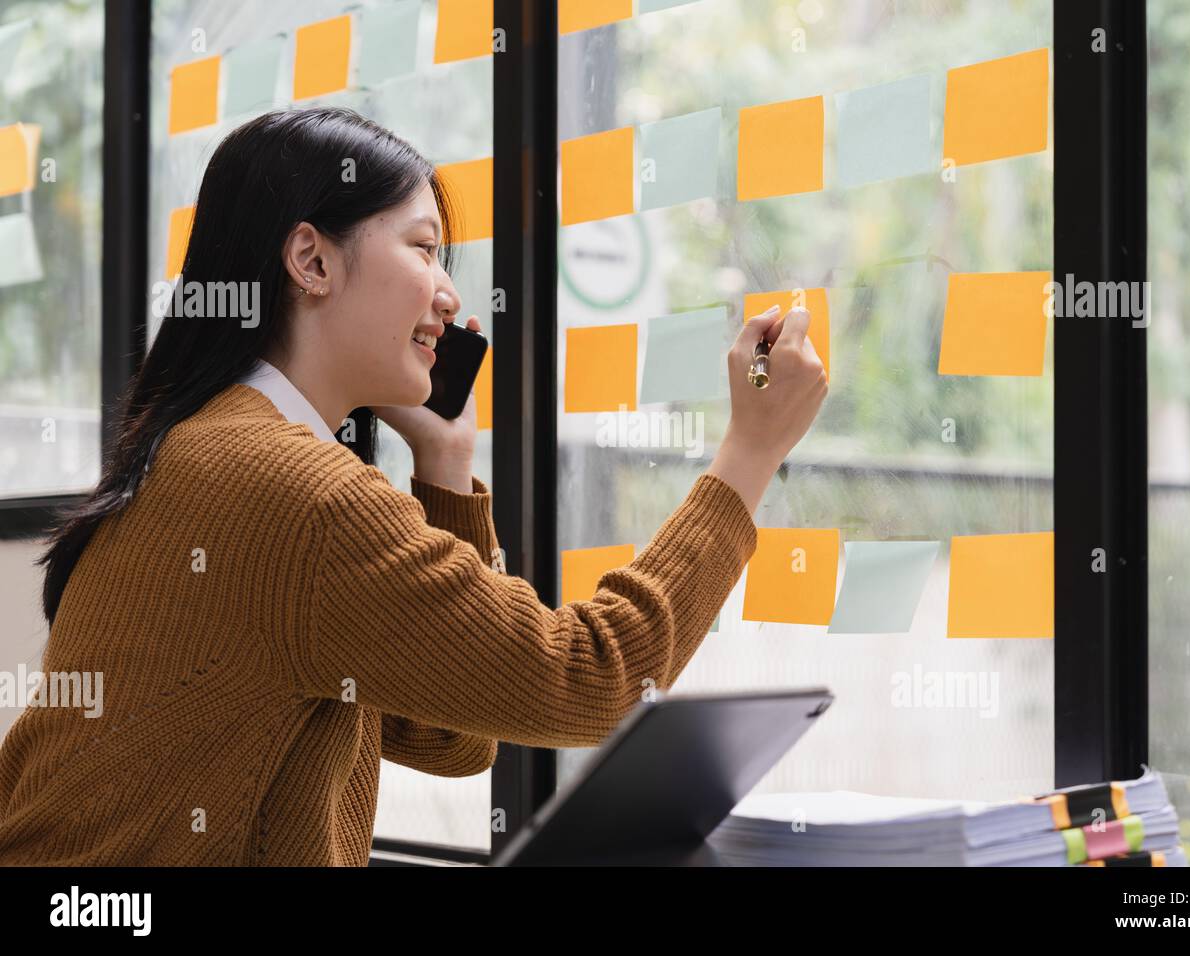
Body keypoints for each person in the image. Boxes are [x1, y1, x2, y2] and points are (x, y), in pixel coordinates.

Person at [0, 107, 827, 865]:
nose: (449, 293)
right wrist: (748, 457)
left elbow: (450, 738)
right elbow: (592, 677)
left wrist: (445, 462)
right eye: (424, 248)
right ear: (311, 259)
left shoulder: (206, 447)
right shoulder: (299, 493)